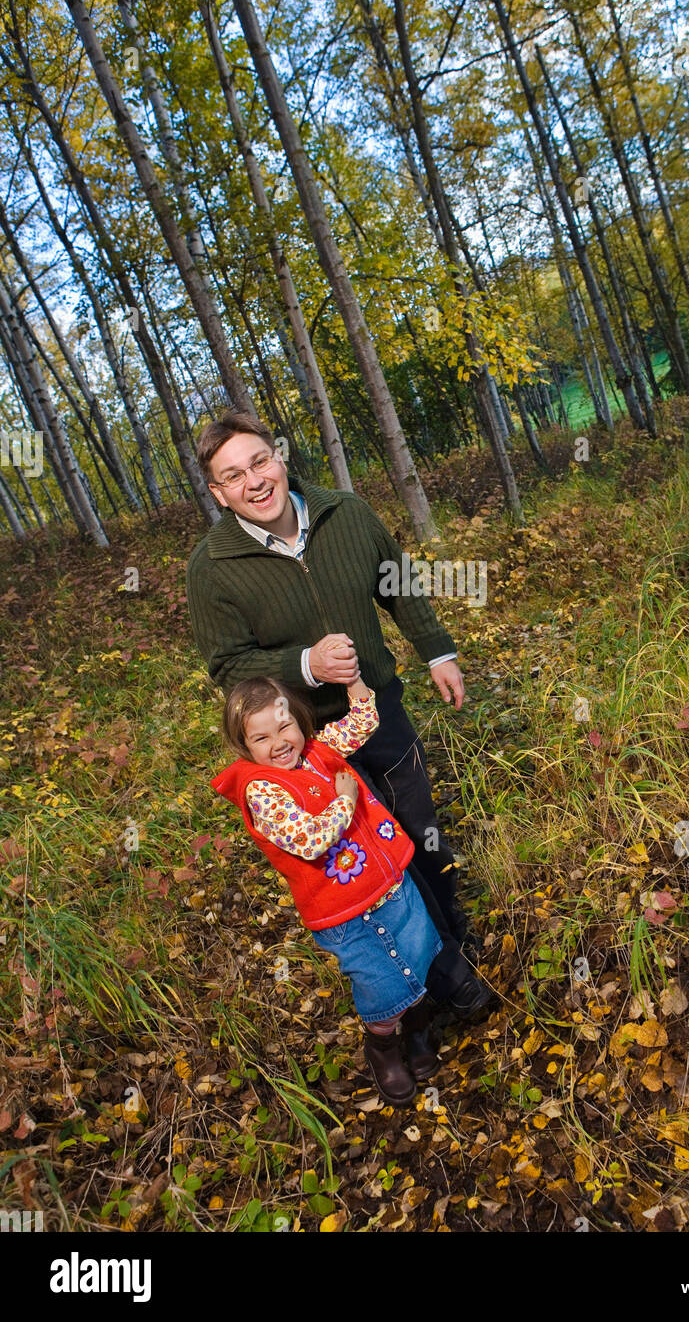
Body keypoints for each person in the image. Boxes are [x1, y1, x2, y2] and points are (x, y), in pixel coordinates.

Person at [186, 408, 494, 1019]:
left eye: (259, 461)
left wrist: (437, 650)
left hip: (377, 713)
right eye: (233, 476)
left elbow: (397, 582)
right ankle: (420, 990)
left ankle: (452, 948)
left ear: (280, 458)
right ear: (219, 493)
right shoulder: (211, 569)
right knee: (355, 866)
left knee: (417, 834)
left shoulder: (345, 513)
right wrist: (305, 665)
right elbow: (228, 666)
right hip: (298, 750)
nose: (254, 481)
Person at [211, 671, 441, 1107]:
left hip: (390, 883)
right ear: (245, 747)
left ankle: (417, 1029)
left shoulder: (317, 750)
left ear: (299, 720)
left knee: (419, 949)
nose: (279, 742)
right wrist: (346, 800)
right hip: (346, 913)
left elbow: (361, 723)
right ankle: (383, 1047)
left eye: (284, 727)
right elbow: (312, 839)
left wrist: (355, 682)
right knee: (382, 986)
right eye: (261, 738)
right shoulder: (263, 790)